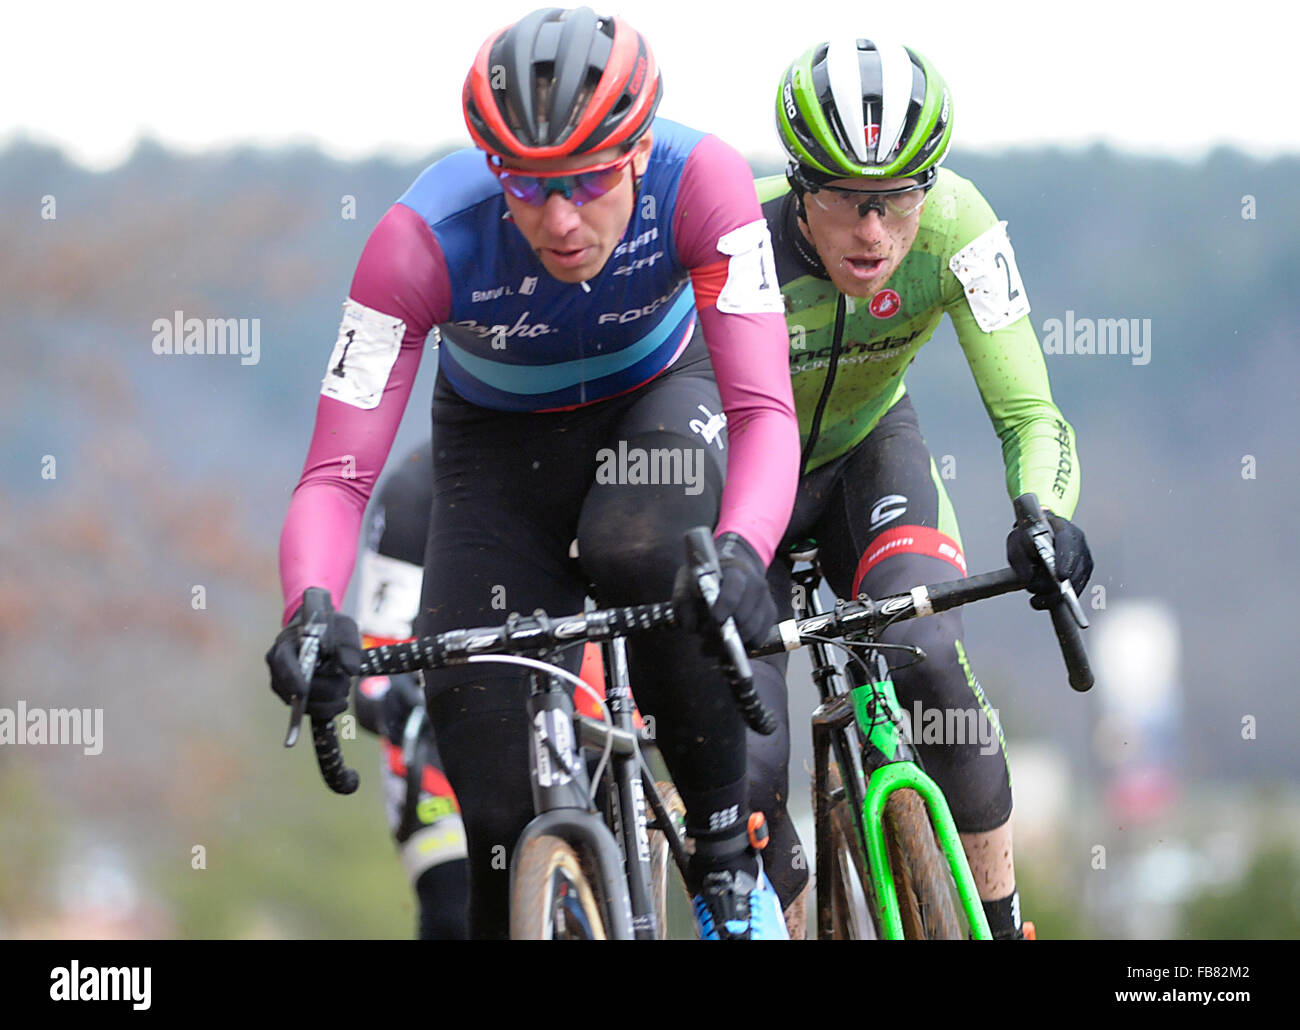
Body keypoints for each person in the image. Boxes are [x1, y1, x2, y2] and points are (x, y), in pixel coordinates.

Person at [266, 6, 801, 940]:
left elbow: (762, 412)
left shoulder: (705, 183)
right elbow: (337, 475)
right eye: (527, 186)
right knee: (494, 818)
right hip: (498, 452)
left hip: (660, 402)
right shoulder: (418, 242)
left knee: (643, 547)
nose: (559, 220)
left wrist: (744, 550)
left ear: (636, 151)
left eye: (588, 181)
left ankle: (723, 861)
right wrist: (310, 607)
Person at [756, 37, 1094, 939]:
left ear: (928, 189)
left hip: (872, 456)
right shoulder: (735, 241)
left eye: (897, 199)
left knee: (926, 656)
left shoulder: (957, 228)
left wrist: (1046, 516)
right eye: (844, 200)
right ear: (799, 186)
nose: (873, 233)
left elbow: (1032, 414)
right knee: (740, 754)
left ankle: (1002, 915)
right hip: (743, 486)